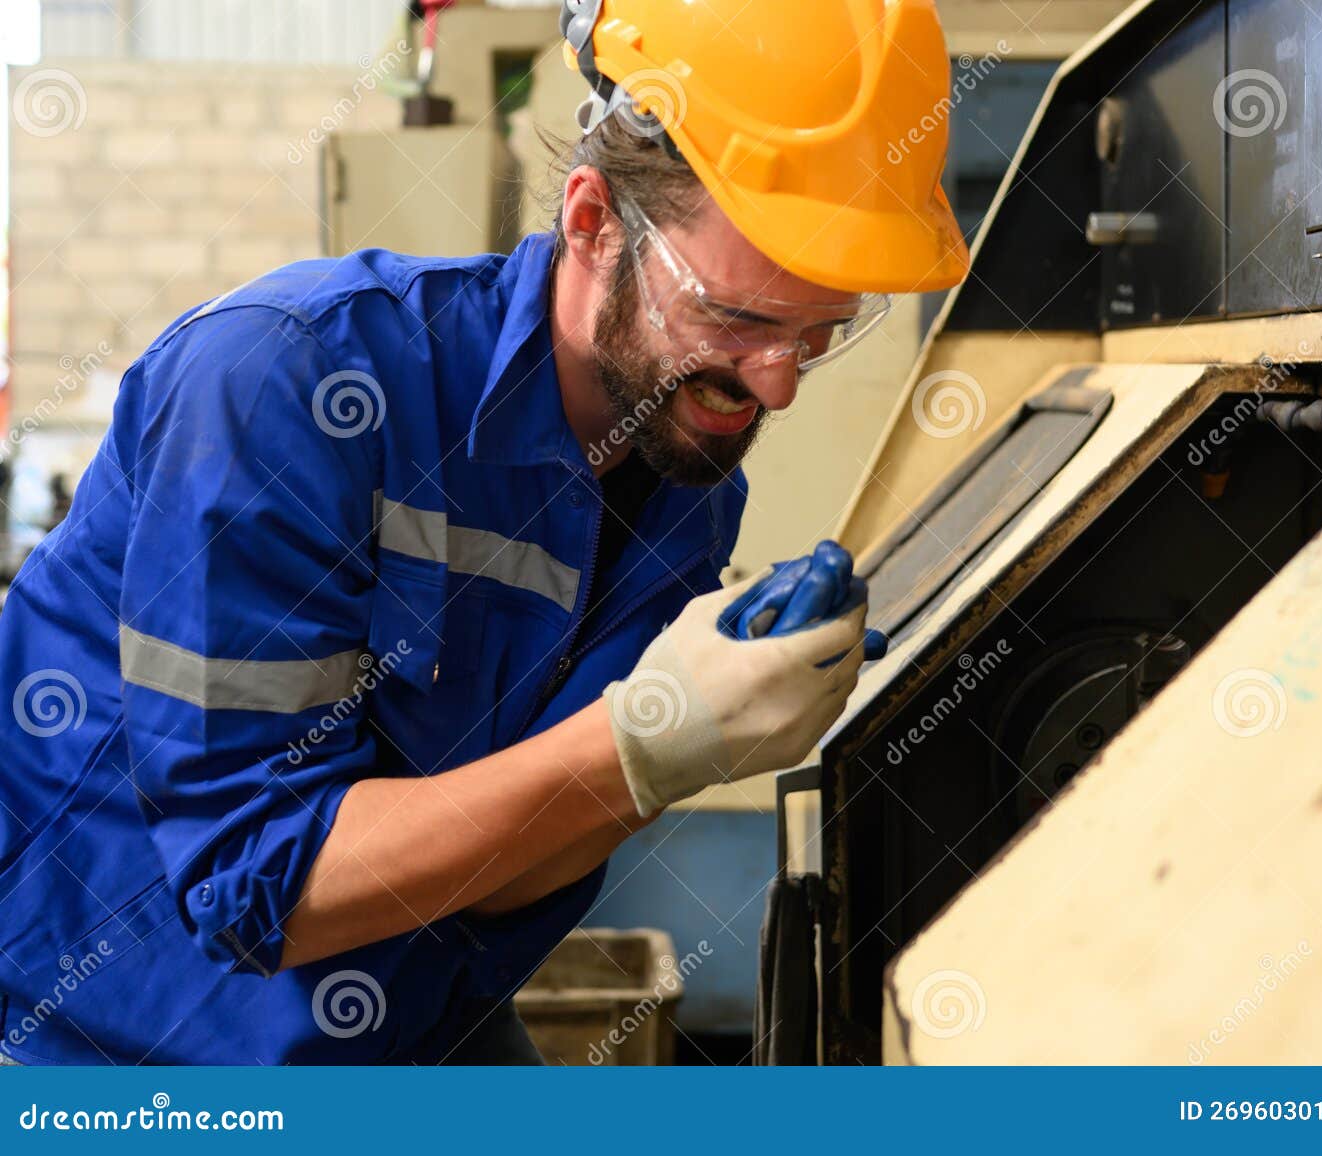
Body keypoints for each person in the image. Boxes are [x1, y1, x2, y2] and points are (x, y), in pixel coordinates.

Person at [0, 0, 968, 1064]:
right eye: (737, 319)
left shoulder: (687, 487)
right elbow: (254, 886)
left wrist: (698, 737)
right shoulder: (290, 382)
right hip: (100, 1043)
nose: (777, 385)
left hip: (414, 1022)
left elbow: (521, 845)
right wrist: (637, 742)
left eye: (821, 331)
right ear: (593, 219)